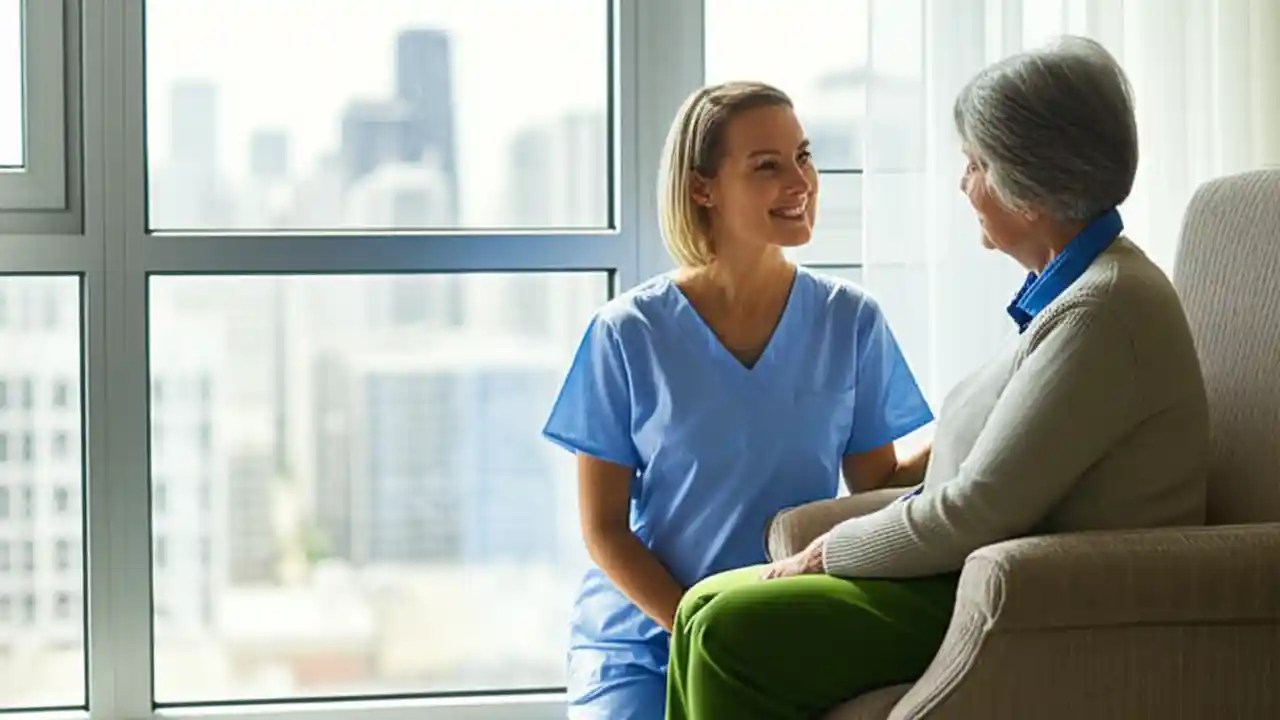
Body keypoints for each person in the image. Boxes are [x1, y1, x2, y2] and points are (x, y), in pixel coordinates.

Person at [666, 38, 1210, 720]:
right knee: (699, 605)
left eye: (976, 164)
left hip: (1029, 602)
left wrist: (824, 554)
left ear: (1031, 184)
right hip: (971, 578)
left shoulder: (1105, 309)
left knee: (726, 631)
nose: (964, 183)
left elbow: (973, 509)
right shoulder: (1078, 293)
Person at [541, 81, 933, 719]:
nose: (800, 182)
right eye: (767, 166)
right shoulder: (627, 333)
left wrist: (993, 422)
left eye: (803, 157)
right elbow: (604, 528)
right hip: (645, 637)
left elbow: (877, 486)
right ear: (704, 188)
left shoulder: (850, 321)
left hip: (774, 628)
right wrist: (697, 627)